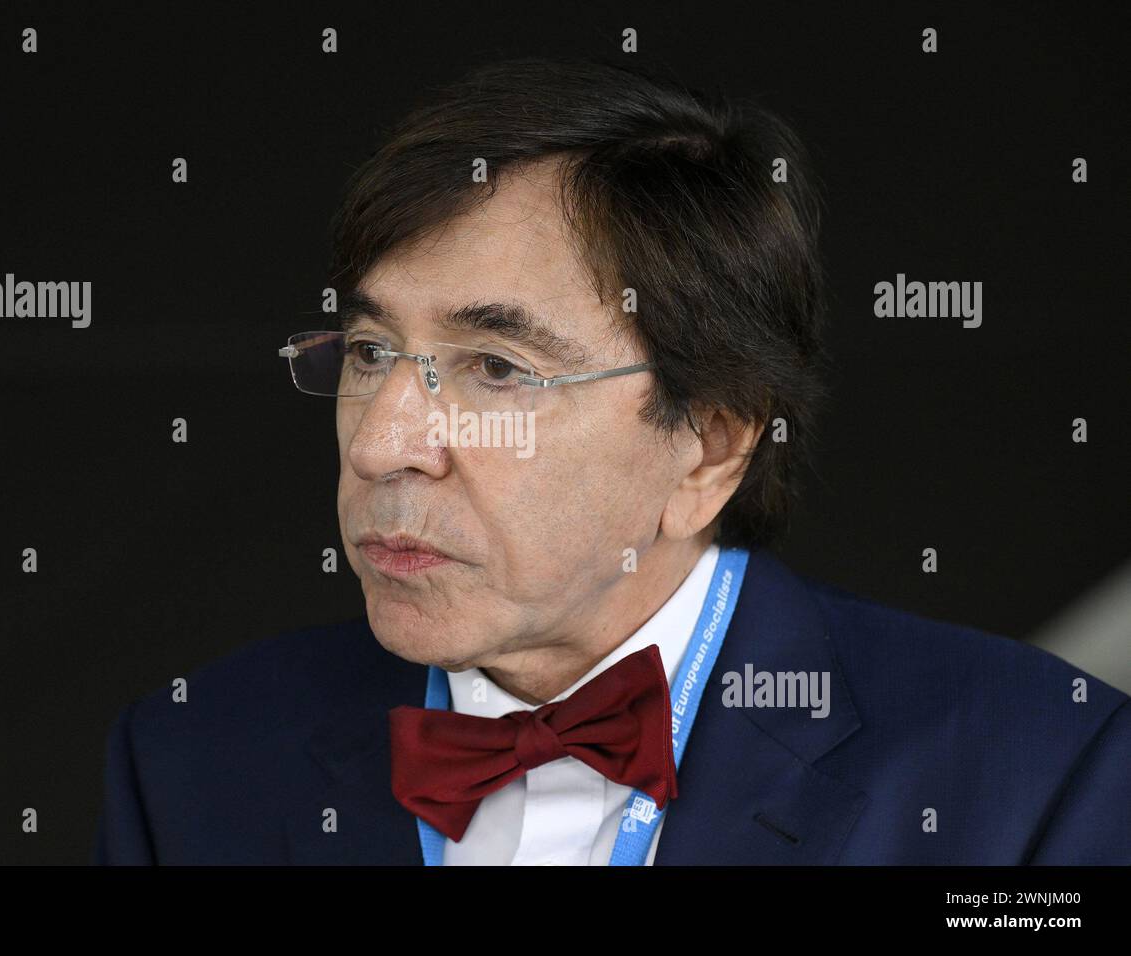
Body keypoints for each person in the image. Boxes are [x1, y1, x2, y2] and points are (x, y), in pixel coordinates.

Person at [92, 56, 1130, 865]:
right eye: (370, 353)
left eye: (496, 367)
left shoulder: (1035, 772)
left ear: (710, 443)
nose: (380, 442)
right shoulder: (191, 758)